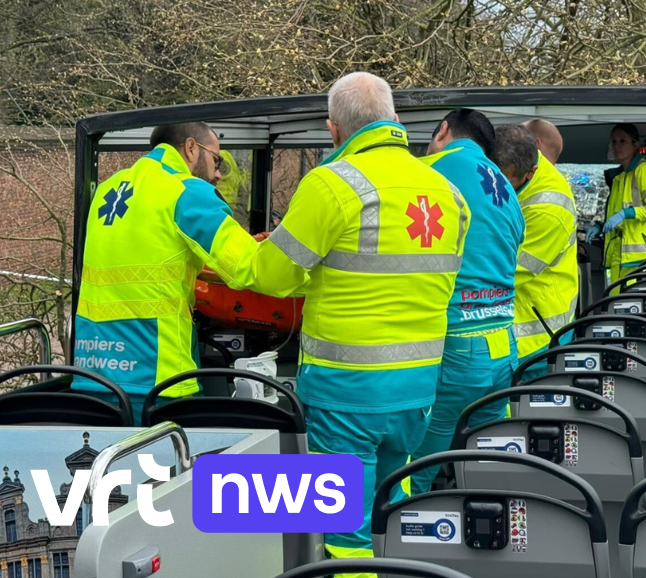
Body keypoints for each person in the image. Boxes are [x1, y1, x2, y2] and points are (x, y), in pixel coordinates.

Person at [248, 72, 470, 570]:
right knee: (394, 514)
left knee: (344, 532)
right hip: (417, 393)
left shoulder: (331, 185)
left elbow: (272, 276)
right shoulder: (448, 193)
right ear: (394, 119)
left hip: (345, 394)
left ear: (333, 130)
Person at [72, 122, 264, 418]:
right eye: (217, 160)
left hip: (93, 375)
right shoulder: (185, 191)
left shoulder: (109, 188)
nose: (217, 173)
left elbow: (152, 259)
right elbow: (251, 267)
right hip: (157, 379)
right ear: (190, 148)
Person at [406, 110, 525, 495]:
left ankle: (398, 541)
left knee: (415, 466)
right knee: (486, 465)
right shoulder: (507, 191)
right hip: (501, 345)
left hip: (457, 343)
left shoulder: (432, 171)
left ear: (443, 130)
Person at [496, 123, 579, 379]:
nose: (495, 185)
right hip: (512, 323)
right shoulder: (516, 167)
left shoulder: (550, 209)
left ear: (529, 172)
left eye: (504, 179)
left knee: (522, 413)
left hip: (536, 337)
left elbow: (509, 272)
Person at [586, 123, 646, 284]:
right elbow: (617, 215)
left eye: (622, 141)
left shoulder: (645, 170)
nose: (617, 146)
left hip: (643, 259)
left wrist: (627, 214)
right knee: (616, 304)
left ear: (635, 145)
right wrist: (601, 226)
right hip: (621, 255)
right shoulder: (619, 177)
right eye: (614, 142)